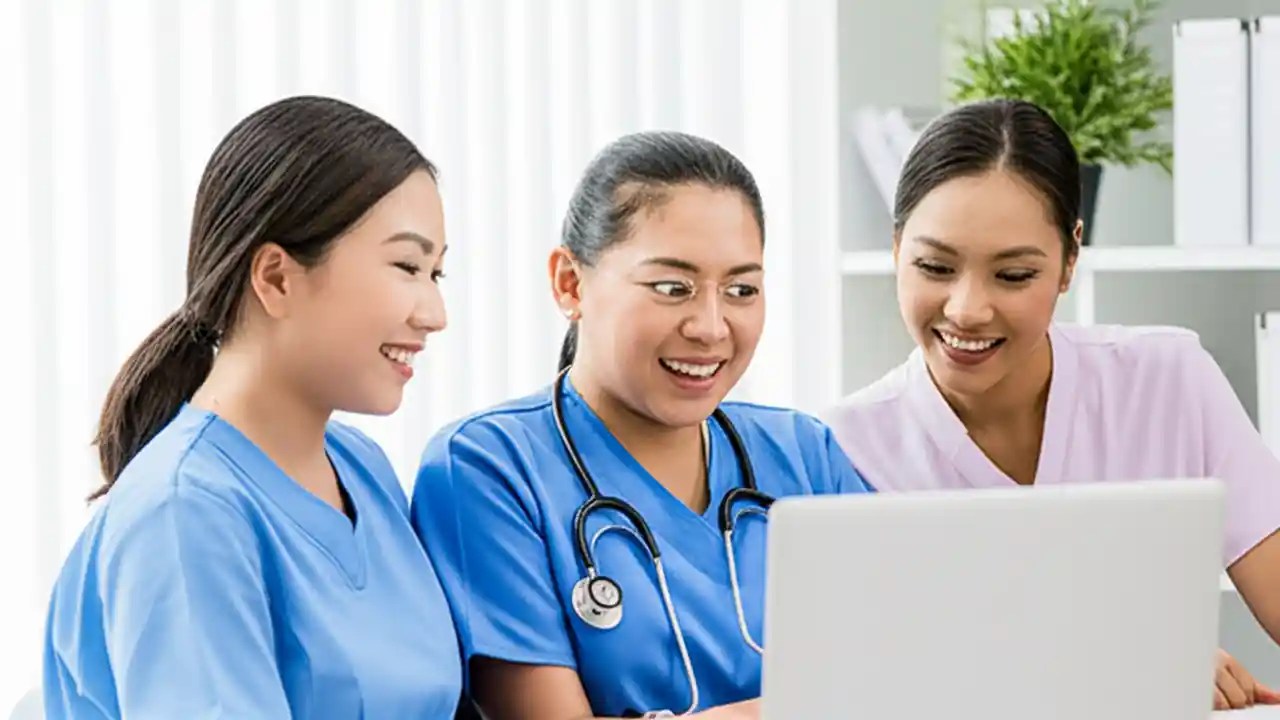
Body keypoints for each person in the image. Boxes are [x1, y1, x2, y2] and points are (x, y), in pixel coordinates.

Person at [822, 98, 1280, 712]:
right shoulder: (843, 448)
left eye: (1012, 275)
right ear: (897, 246)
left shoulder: (1168, 379)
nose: (966, 309)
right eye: (934, 265)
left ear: (1070, 259)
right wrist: (1133, 669)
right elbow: (865, 688)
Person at [410, 131, 873, 719]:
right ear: (569, 283)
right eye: (672, 287)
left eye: (741, 289)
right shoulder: (489, 467)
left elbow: (905, 676)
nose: (711, 326)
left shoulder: (805, 455)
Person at [43, 96, 463, 718]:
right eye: (407, 266)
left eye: (437, 274)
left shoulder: (361, 467)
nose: (434, 315)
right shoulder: (184, 513)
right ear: (275, 277)